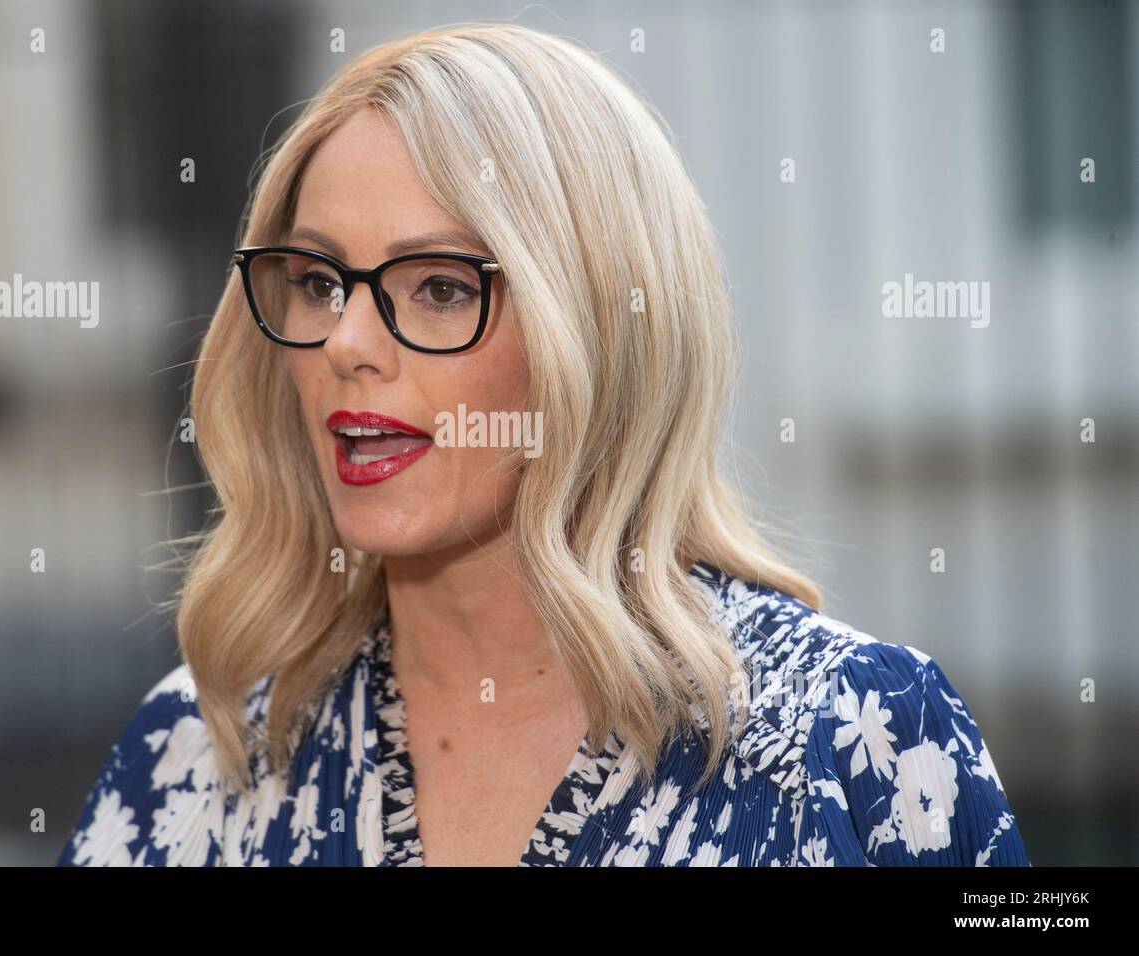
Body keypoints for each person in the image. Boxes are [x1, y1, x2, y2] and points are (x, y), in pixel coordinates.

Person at [57, 23, 1030, 867]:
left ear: (597, 331)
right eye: (317, 282)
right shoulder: (198, 751)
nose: (346, 344)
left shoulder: (852, 735)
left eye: (437, 285)